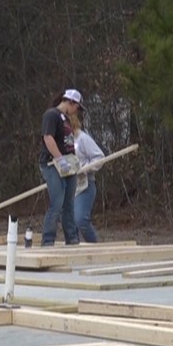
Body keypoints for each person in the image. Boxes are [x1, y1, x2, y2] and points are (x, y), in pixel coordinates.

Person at [39, 89, 82, 246]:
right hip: (52, 164)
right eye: (77, 106)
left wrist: (71, 161)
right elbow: (48, 137)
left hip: (68, 165)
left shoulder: (67, 119)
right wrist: (59, 158)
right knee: (56, 202)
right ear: (70, 102)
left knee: (69, 203)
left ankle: (72, 238)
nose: (76, 111)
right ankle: (48, 240)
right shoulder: (51, 115)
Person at [69, 94, 105, 243]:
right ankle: (74, 251)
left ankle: (96, 248)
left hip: (85, 184)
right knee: (69, 224)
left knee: (80, 220)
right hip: (69, 186)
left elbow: (99, 157)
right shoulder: (63, 142)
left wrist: (85, 168)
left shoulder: (82, 139)